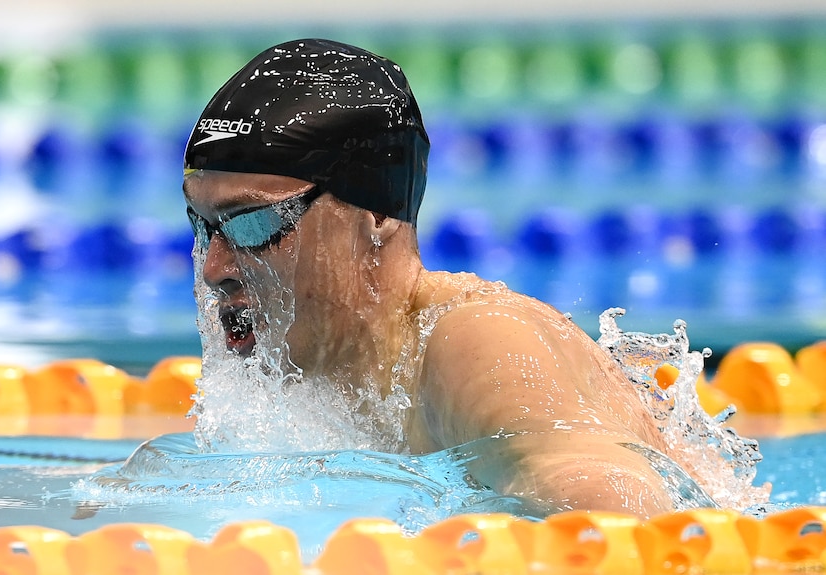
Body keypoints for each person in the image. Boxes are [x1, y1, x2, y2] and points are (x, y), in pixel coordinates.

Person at [182, 38, 690, 517]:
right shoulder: (325, 382)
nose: (214, 269)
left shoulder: (476, 341)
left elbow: (619, 523)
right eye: (201, 226)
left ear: (375, 214)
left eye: (253, 223)